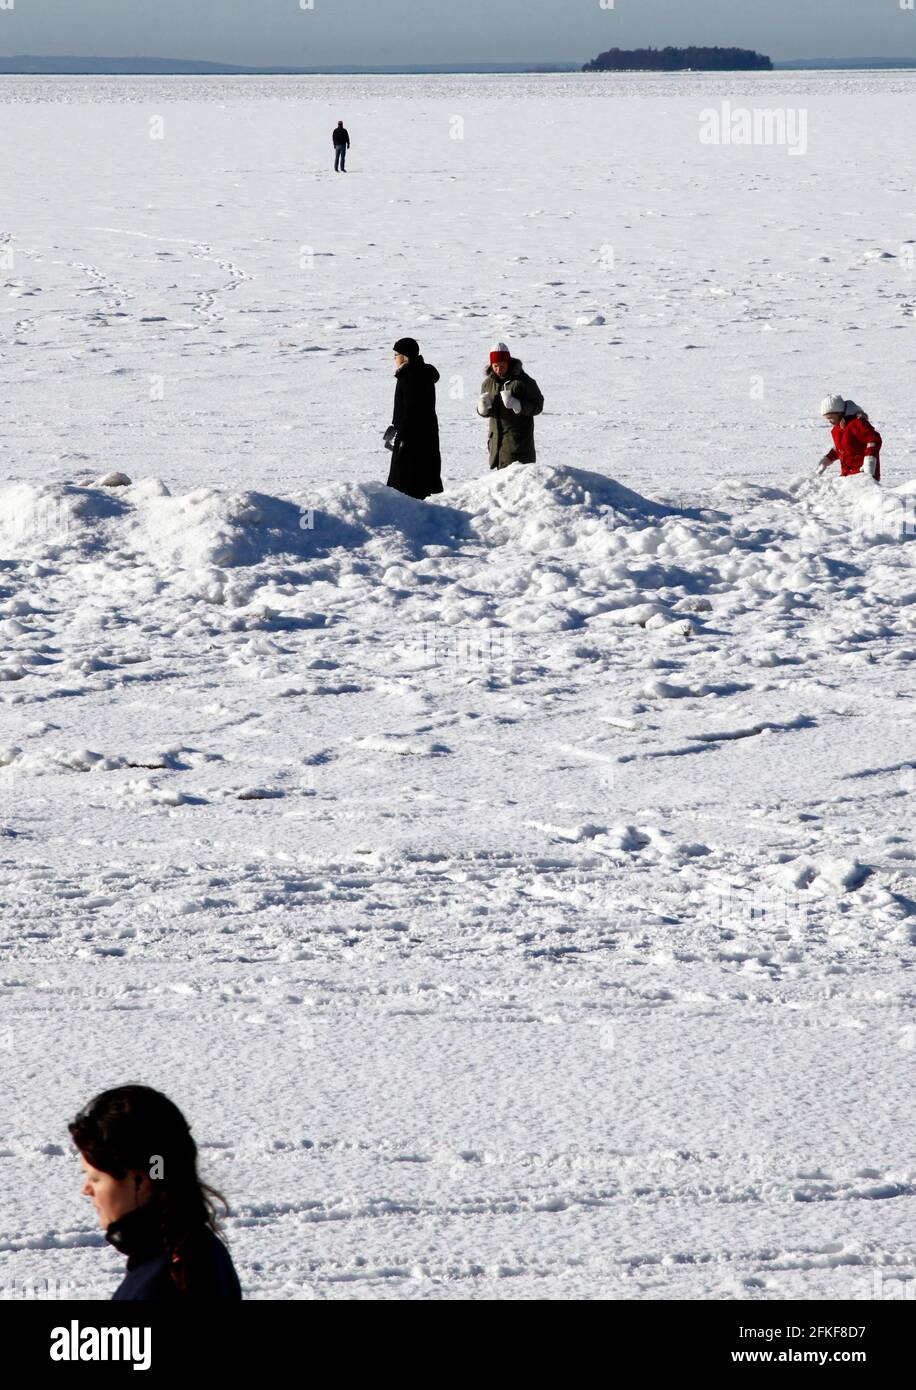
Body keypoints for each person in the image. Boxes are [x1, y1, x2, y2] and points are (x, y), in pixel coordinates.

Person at [69, 1085, 242, 1301]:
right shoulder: (193, 1248)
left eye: (95, 1178)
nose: (86, 1190)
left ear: (140, 1182)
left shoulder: (164, 1279)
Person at [384, 337, 443, 500]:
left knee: (405, 485)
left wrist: (400, 435)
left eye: (396, 354)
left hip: (411, 440)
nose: (395, 358)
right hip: (423, 437)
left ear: (405, 356)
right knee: (417, 484)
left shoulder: (410, 376)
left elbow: (411, 411)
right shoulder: (419, 373)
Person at [477, 342, 544, 471]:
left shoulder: (523, 382)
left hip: (519, 447)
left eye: (502, 365)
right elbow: (487, 412)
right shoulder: (487, 383)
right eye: (495, 366)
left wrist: (518, 405)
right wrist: (482, 409)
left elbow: (538, 406)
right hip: (496, 447)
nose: (498, 369)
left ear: (509, 363)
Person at [817, 394, 882, 481]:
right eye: (827, 419)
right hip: (847, 476)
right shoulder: (836, 430)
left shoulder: (857, 424)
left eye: (831, 417)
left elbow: (874, 440)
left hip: (863, 475)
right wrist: (826, 461)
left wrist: (869, 463)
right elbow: (841, 448)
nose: (829, 421)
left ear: (839, 413)